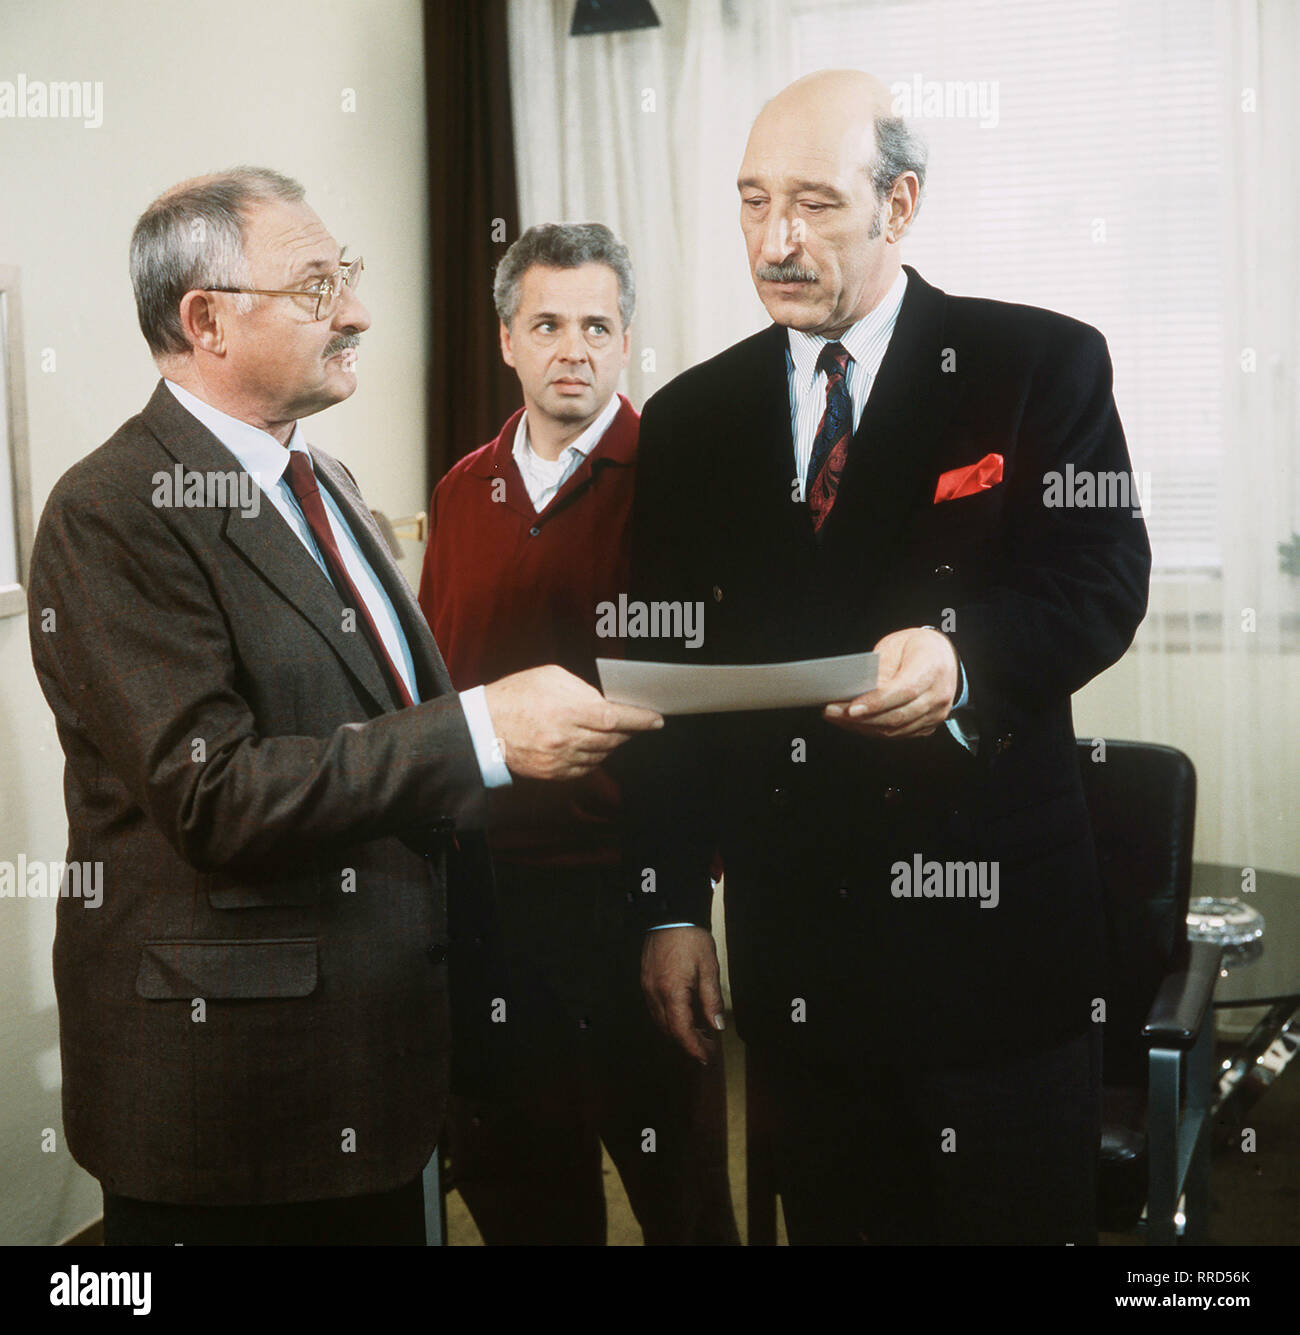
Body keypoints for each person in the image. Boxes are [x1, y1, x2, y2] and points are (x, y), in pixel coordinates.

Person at [26, 168, 660, 1246]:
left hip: (386, 1062)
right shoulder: (109, 514)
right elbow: (213, 794)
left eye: (348, 276)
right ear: (206, 320)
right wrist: (483, 729)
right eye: (318, 286)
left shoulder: (329, 485)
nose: (359, 310)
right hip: (241, 1100)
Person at [625, 70, 1151, 1245]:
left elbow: (1101, 585)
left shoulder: (1040, 365)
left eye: (812, 204)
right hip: (805, 964)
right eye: (754, 202)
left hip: (996, 957)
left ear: (899, 204)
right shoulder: (689, 420)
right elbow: (656, 685)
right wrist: (665, 906)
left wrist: (961, 659)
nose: (775, 240)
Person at [418, 222, 737, 1245]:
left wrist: (677, 911)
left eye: (597, 325)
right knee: (523, 1197)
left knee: (683, 1200)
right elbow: (441, 688)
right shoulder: (462, 493)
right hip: (489, 906)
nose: (574, 348)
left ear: (627, 341)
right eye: (547, 324)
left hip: (626, 897)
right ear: (506, 339)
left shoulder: (678, 480)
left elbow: (711, 716)